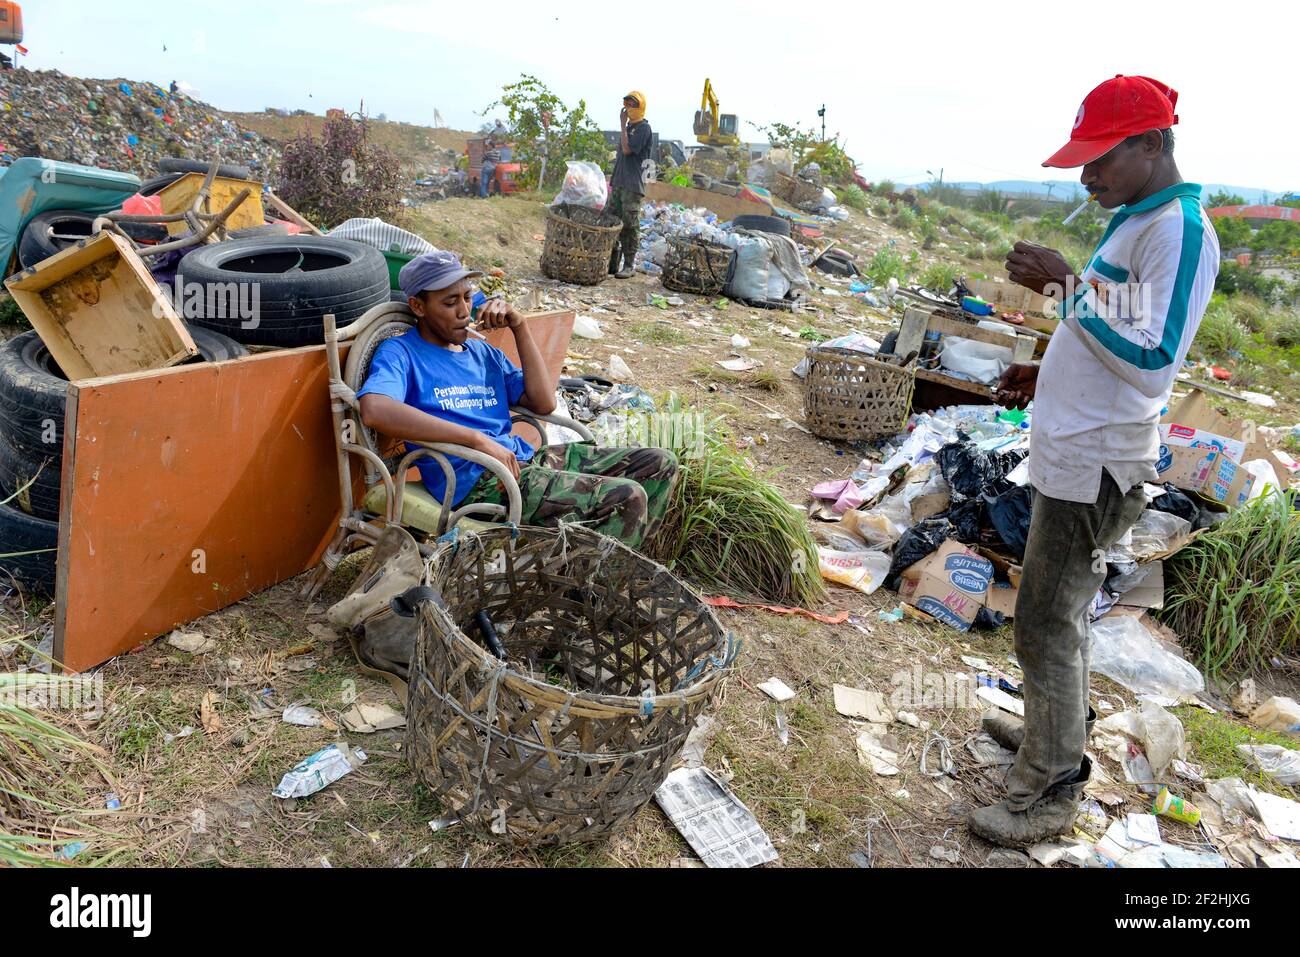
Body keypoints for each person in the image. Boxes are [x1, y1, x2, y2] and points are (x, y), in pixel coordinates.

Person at [966, 75, 1219, 848]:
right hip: (1074, 447)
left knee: (1046, 618)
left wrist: (1062, 285)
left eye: (1100, 158)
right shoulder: (1136, 217)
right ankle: (1055, 730)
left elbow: (1152, 360)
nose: (1087, 176)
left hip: (1101, 464)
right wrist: (1049, 371)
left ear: (1151, 144)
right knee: (1056, 610)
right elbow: (1112, 327)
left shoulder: (1179, 231)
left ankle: (1051, 785)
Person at [357, 251, 678, 549]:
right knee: (627, 496)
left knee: (659, 462)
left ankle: (600, 571)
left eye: (468, 297)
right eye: (450, 302)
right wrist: (476, 439)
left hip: (520, 460)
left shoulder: (483, 353)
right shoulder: (402, 353)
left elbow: (542, 404)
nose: (464, 311)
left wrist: (519, 326)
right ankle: (592, 595)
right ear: (418, 306)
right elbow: (375, 409)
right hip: (473, 479)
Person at [607, 91, 653, 279]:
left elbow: (627, 150)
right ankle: (611, 263)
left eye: (632, 104)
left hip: (632, 186)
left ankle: (629, 265)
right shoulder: (629, 128)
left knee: (629, 226)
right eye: (626, 103)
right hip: (619, 183)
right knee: (610, 221)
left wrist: (621, 124)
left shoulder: (643, 129)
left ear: (640, 107)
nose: (628, 107)